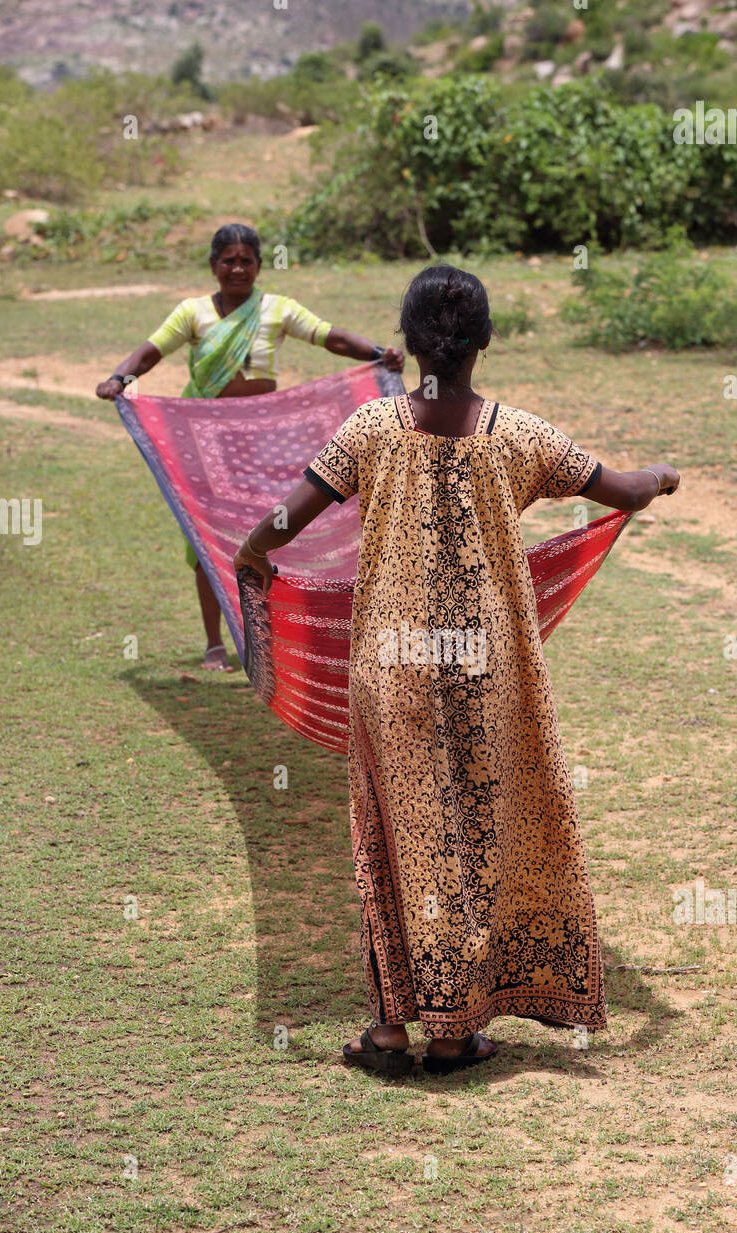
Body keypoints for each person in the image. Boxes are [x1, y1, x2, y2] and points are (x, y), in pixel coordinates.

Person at [233, 264, 680, 1076]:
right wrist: (659, 479)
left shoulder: (369, 430)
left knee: (395, 837)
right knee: (477, 834)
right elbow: (623, 489)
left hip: (391, 670)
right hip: (485, 668)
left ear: (407, 343)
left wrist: (252, 553)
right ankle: (456, 1028)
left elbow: (282, 519)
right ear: (485, 340)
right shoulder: (521, 437)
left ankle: (393, 1030)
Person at [96, 223, 404, 670]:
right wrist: (120, 379)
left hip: (261, 440)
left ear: (259, 265)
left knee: (265, 535)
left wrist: (377, 353)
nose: (237, 269)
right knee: (205, 535)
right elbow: (151, 352)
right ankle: (214, 644)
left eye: (246, 261)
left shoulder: (276, 309)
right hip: (202, 441)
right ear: (213, 265)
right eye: (228, 261)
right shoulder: (193, 313)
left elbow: (330, 337)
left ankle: (265, 638)